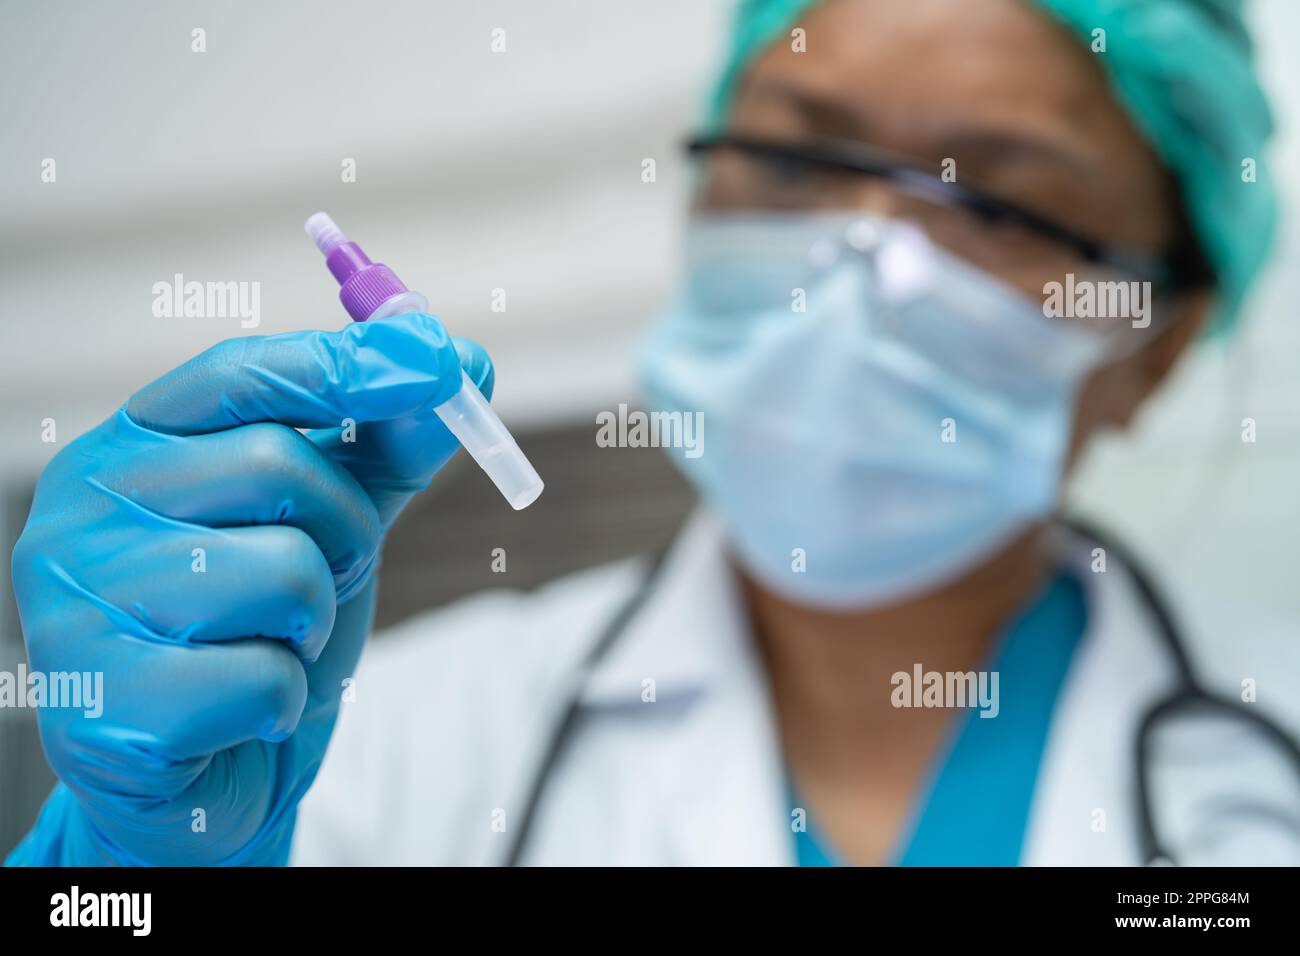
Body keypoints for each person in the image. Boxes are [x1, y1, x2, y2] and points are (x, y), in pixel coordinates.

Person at [7, 0, 1295, 867]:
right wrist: (134, 874)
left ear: (1158, 340)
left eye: (999, 203)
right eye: (795, 165)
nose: (851, 264)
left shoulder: (1265, 773)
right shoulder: (387, 748)